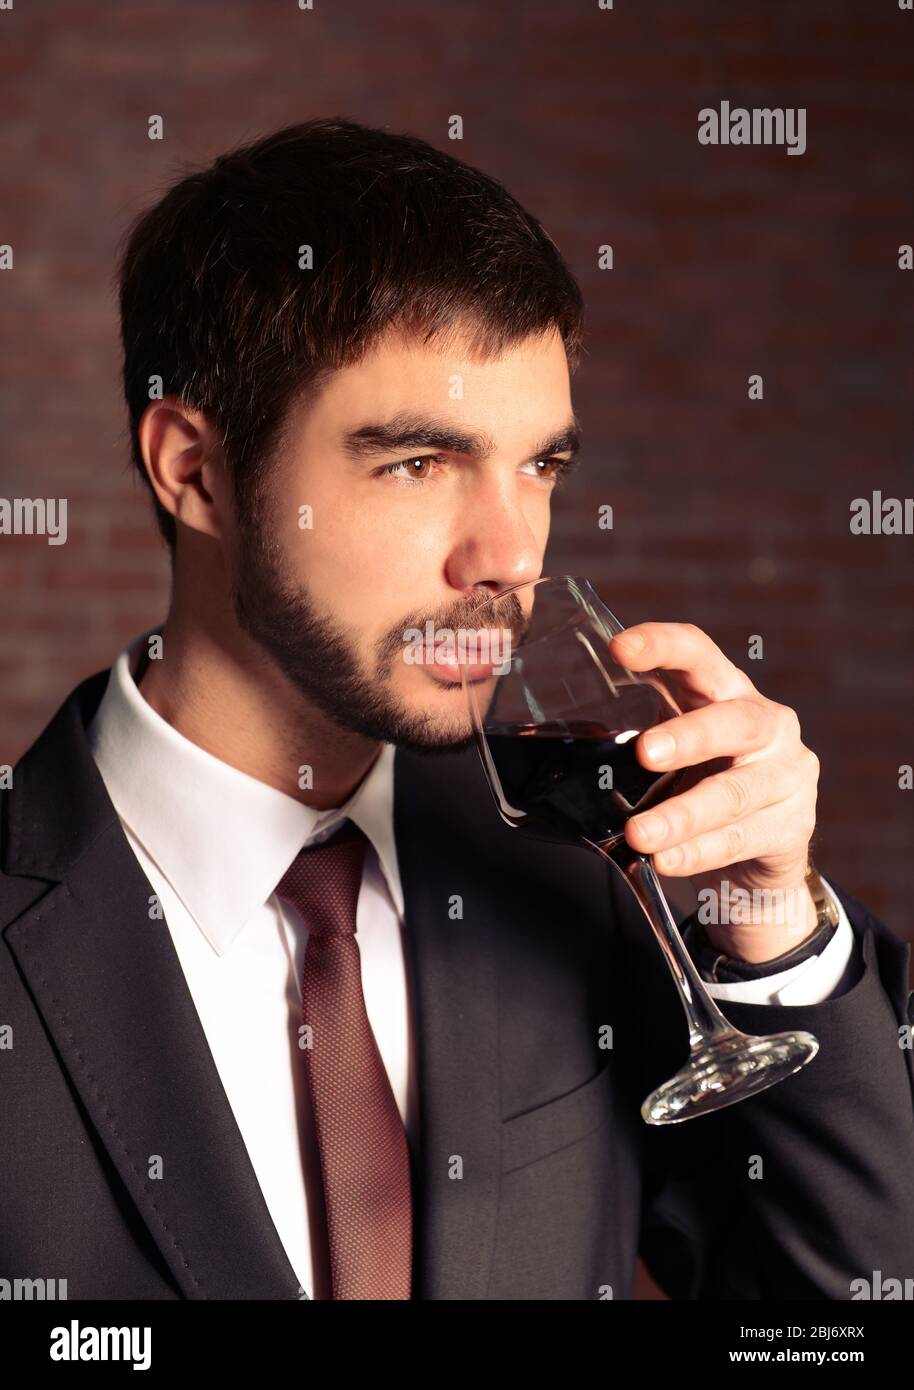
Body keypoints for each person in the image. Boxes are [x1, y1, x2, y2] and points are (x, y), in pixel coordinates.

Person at [2, 117, 912, 1301]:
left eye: (540, 465)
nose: (510, 554)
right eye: (416, 463)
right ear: (196, 470)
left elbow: (839, 1311)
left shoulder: (591, 874)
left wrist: (770, 925)